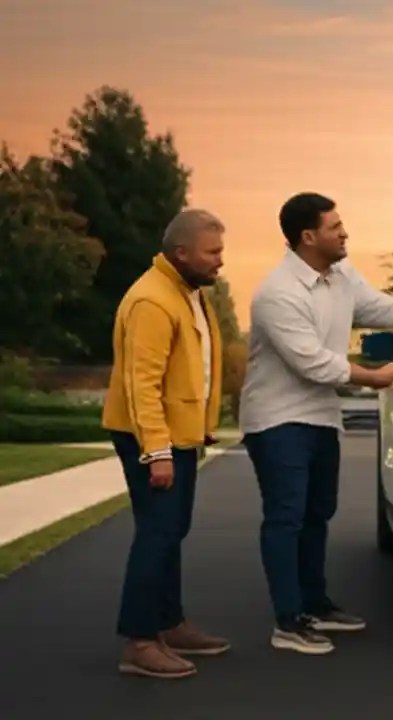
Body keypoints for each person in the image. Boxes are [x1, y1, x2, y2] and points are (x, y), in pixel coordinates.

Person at [239, 192, 393, 656]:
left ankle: (315, 604)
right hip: (278, 420)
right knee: (286, 518)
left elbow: (383, 307)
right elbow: (312, 363)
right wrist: (376, 377)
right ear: (308, 237)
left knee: (317, 514)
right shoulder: (277, 294)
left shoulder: (341, 275)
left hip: (321, 418)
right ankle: (288, 621)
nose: (345, 233)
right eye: (335, 226)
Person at [101, 209, 231, 679]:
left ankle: (169, 623)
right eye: (212, 252)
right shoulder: (152, 301)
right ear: (182, 253)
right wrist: (156, 451)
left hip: (176, 434)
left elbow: (195, 366)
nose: (220, 261)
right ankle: (139, 641)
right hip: (150, 437)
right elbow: (142, 383)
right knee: (157, 534)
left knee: (171, 530)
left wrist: (199, 425)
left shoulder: (188, 294)